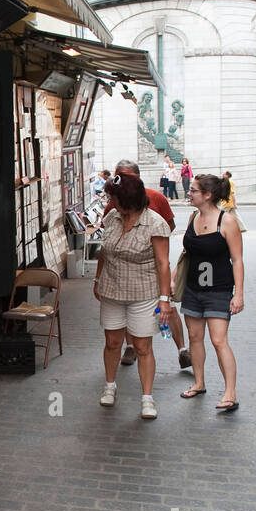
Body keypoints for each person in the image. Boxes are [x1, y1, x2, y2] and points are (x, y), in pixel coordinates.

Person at [93, 173, 176, 419]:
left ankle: (147, 398)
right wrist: (97, 279)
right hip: (112, 290)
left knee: (142, 346)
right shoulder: (112, 218)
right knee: (112, 342)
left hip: (143, 292)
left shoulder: (155, 223)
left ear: (127, 198)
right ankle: (110, 386)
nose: (110, 200)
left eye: (114, 196)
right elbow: (103, 253)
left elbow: (163, 263)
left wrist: (164, 299)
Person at [115, 161, 191, 369]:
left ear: (137, 178)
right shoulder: (114, 201)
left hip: (153, 266)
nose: (121, 181)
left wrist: (152, 243)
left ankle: (182, 349)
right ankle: (130, 346)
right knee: (127, 307)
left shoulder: (155, 197)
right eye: (118, 176)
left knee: (168, 305)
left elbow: (169, 224)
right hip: (126, 269)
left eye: (126, 176)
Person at [179, 174, 244, 412]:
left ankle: (230, 393)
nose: (189, 193)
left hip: (219, 289)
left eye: (193, 191)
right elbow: (187, 255)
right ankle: (198, 382)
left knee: (218, 340)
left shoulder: (226, 221)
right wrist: (174, 280)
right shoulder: (193, 217)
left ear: (207, 195)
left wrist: (239, 294)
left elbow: (237, 260)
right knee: (195, 338)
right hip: (193, 288)